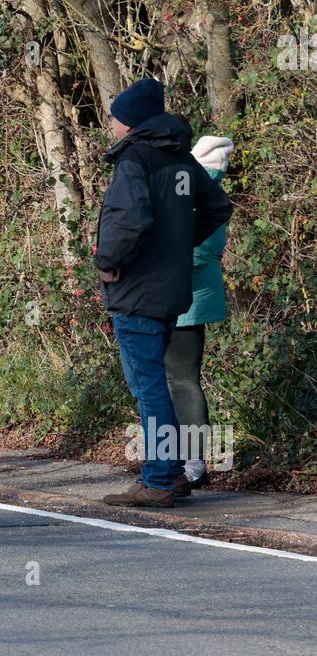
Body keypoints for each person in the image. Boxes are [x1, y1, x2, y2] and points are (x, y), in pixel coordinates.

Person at [93, 78, 233, 508]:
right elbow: (218, 207)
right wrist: (179, 244)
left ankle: (159, 479)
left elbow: (129, 218)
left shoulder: (136, 159)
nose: (112, 124)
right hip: (170, 289)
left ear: (131, 122)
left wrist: (106, 261)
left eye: (115, 117)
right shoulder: (181, 159)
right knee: (156, 383)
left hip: (136, 288)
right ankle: (169, 473)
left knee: (150, 386)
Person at [164, 135, 234, 490]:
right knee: (178, 380)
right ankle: (179, 459)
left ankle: (192, 463)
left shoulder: (201, 195)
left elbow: (201, 252)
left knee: (182, 379)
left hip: (186, 299)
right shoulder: (206, 191)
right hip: (186, 296)